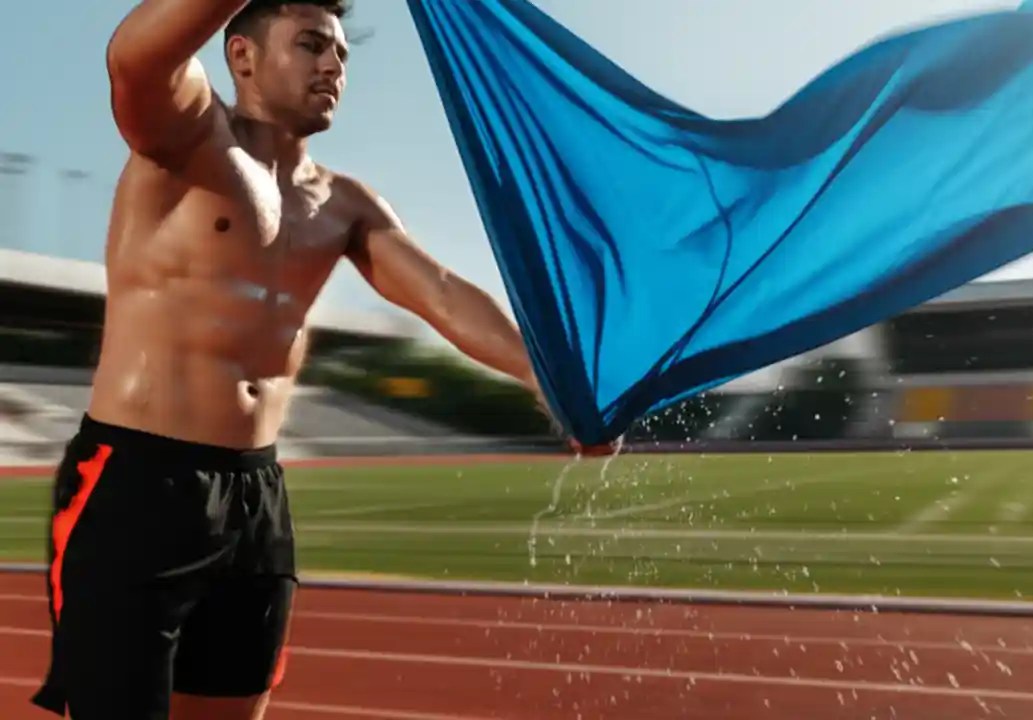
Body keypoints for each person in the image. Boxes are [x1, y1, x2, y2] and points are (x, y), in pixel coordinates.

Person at [32, 1, 614, 718]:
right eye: (310, 44)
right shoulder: (186, 136)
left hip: (256, 496)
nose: (333, 65)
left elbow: (439, 293)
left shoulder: (343, 205)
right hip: (138, 485)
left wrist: (548, 380)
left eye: (341, 52)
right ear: (241, 57)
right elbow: (133, 56)